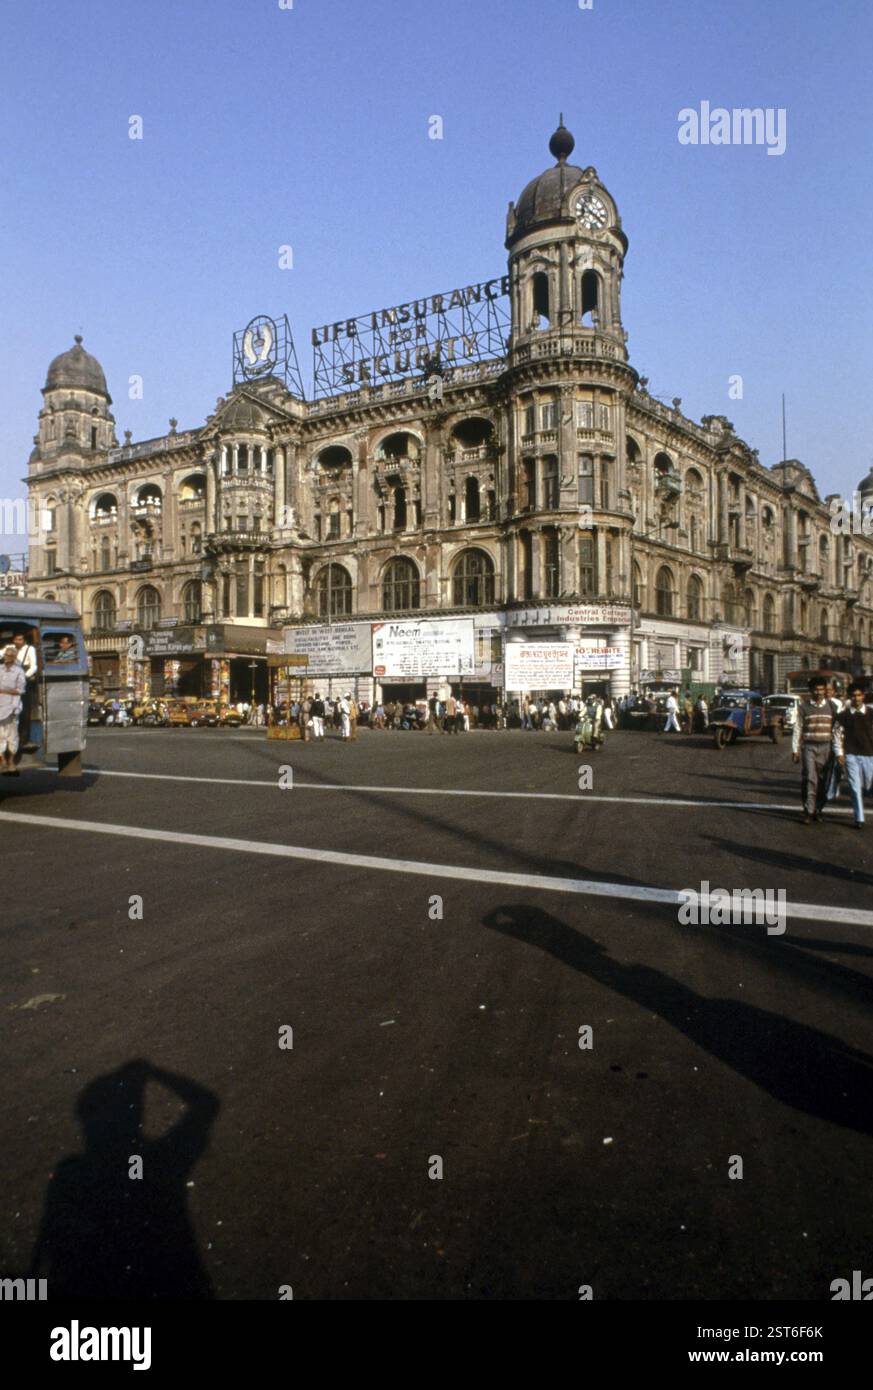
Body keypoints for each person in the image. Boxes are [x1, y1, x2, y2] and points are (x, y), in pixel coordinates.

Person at [792, 676, 836, 824]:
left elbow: (836, 731)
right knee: (811, 778)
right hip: (809, 747)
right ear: (811, 691)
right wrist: (795, 750)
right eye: (815, 690)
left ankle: (818, 809)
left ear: (825, 690)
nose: (819, 692)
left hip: (827, 747)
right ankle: (809, 811)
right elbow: (797, 728)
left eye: (821, 689)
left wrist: (839, 752)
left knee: (824, 781)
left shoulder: (832, 707)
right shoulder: (803, 707)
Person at [834, 682, 873, 828]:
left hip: (870, 754)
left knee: (868, 785)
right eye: (853, 695)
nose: (856, 698)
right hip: (851, 754)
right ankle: (859, 818)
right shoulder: (843, 715)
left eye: (859, 695)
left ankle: (867, 791)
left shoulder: (871, 713)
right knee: (855, 787)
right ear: (850, 697)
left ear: (863, 696)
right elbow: (836, 734)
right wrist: (839, 752)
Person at [1, 644, 27, 774]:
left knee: (12, 736)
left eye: (10, 655)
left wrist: (3, 690)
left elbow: (20, 690)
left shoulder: (19, 671)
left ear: (15, 657)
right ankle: (2, 761)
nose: (7, 657)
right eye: (6, 655)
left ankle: (11, 761)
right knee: (0, 736)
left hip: (12, 707)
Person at [12, 631, 38, 750]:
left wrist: (23, 677)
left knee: (24, 710)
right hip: (12, 681)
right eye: (16, 639)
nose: (17, 641)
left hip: (24, 681)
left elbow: (34, 667)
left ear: (24, 641)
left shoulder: (30, 649)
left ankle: (24, 738)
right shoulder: (11, 648)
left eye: (20, 639)